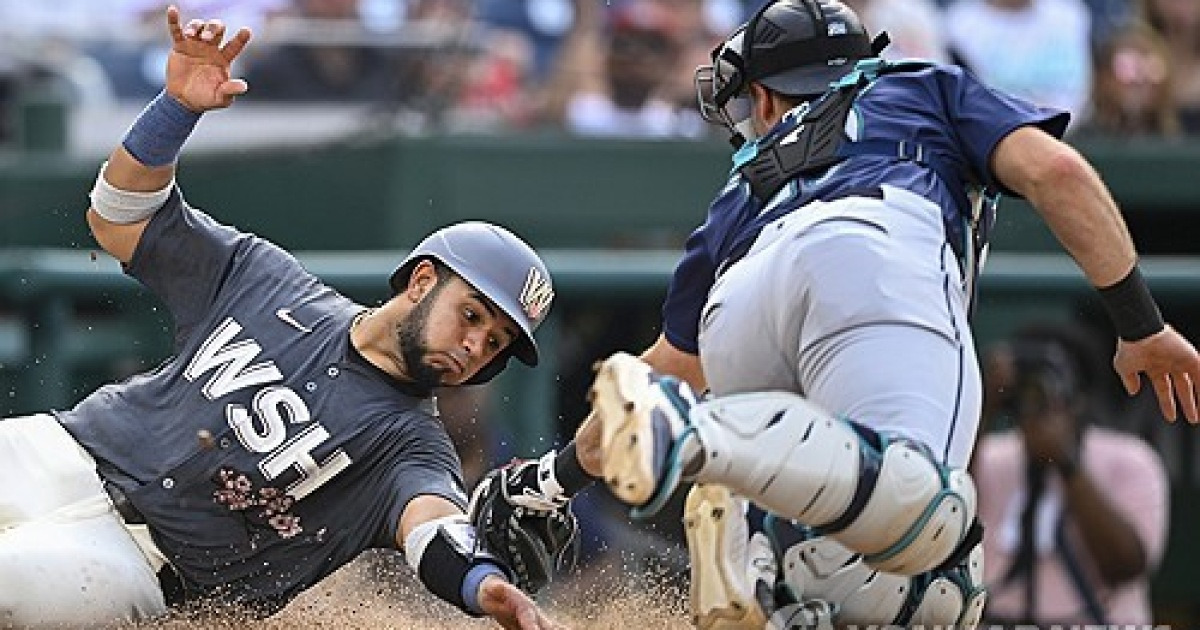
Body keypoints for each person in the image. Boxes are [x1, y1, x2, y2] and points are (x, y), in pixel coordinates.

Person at [480, 0, 1200, 628]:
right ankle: (704, 447)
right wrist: (1140, 324)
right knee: (929, 532)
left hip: (743, 294)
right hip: (876, 246)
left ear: (764, 97)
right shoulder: (919, 84)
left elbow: (661, 374)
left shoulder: (736, 190)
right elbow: (1058, 172)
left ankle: (754, 554)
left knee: (889, 582)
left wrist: (555, 477)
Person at [0, 7, 564, 629]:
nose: (477, 345)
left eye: (496, 342)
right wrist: (175, 109)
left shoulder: (413, 449)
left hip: (133, 562)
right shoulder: (265, 278)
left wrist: (486, 587)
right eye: (473, 314)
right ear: (424, 280)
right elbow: (118, 215)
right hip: (64, 451)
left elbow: (435, 533)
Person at [974, 321, 1169, 626]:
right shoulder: (992, 455)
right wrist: (983, 406)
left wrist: (1066, 464)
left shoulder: (1130, 459)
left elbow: (1125, 567)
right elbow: (946, 527)